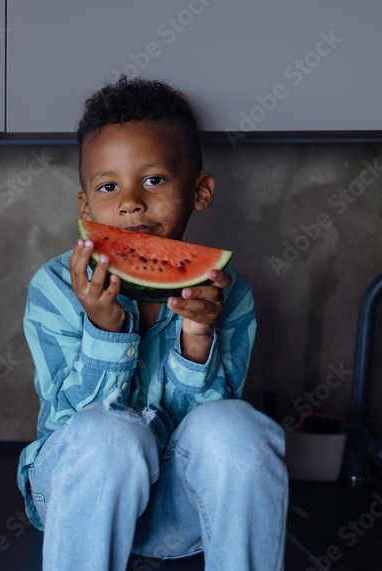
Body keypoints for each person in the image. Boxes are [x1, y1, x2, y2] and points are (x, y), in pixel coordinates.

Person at [16, 77, 288, 570]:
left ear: (200, 191)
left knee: (239, 426)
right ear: (85, 207)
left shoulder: (228, 292)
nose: (131, 202)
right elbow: (65, 423)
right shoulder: (56, 286)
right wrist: (105, 329)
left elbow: (205, 436)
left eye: (154, 180)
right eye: (108, 186)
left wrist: (198, 338)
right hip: (80, 500)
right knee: (110, 435)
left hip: (181, 508)